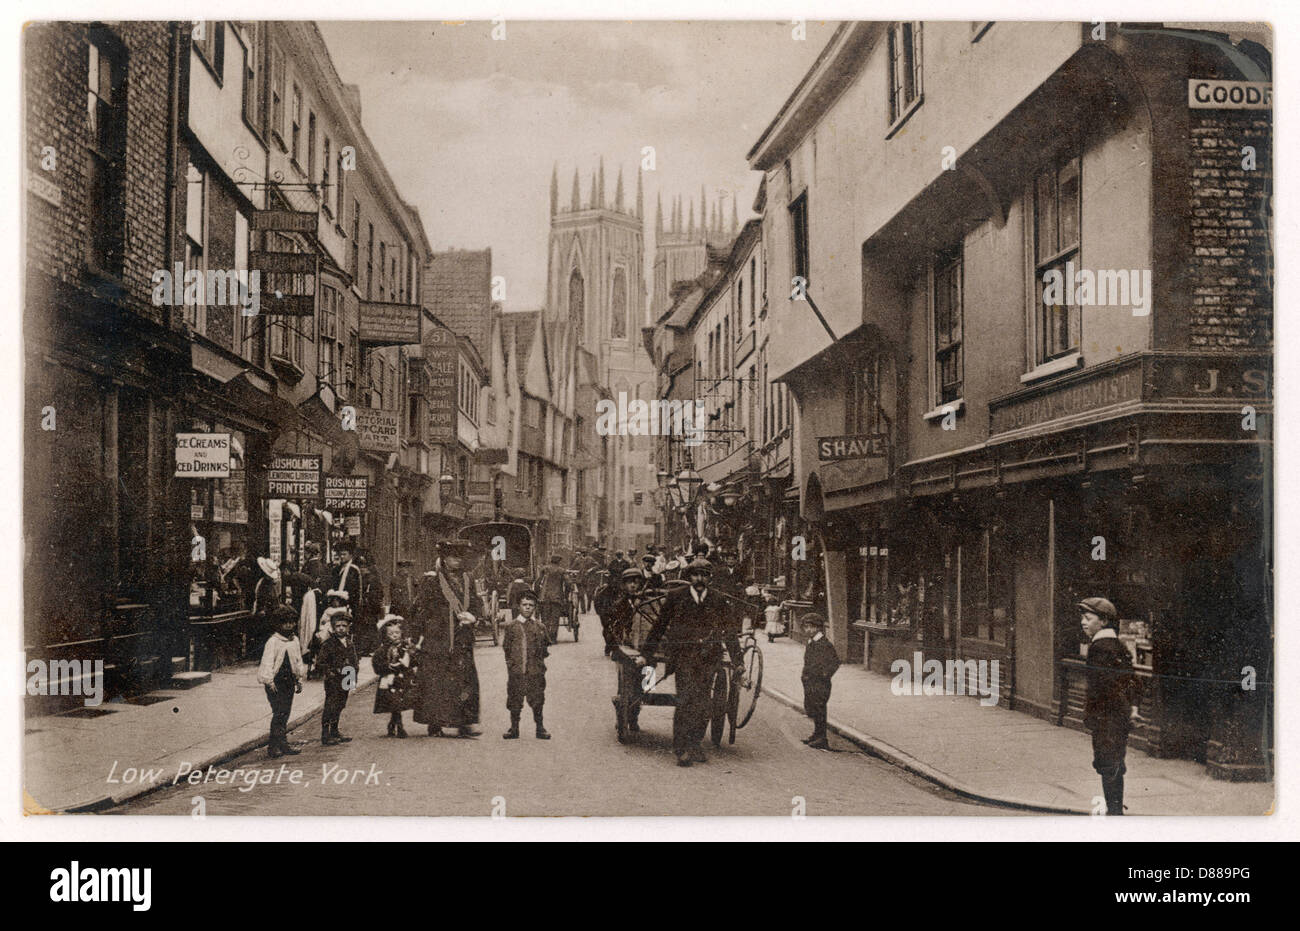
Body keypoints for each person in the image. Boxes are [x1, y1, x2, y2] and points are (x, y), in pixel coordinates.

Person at [641, 557, 741, 767]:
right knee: (685, 700)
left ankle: (695, 744)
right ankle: (681, 749)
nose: (699, 579)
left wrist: (738, 660)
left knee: (703, 703)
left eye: (704, 575)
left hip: (708, 658)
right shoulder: (676, 596)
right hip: (683, 657)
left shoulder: (718, 599)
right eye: (696, 575)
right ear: (689, 577)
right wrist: (647, 653)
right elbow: (660, 625)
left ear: (709, 578)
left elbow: (730, 631)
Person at [412, 540, 482, 738]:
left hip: (462, 638)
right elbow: (421, 609)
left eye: (459, 557)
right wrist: (416, 636)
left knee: (465, 681)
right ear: (444, 559)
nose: (457, 561)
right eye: (453, 557)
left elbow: (476, 602)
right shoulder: (432, 580)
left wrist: (473, 616)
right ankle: (435, 724)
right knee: (437, 682)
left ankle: (465, 723)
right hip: (438, 639)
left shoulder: (467, 579)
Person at [1080, 597, 1141, 815]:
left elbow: (1106, 687)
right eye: (1082, 618)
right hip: (1119, 718)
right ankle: (1115, 810)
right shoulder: (1118, 646)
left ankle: (1114, 814)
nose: (1083, 622)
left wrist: (1092, 714)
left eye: (1088, 618)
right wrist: (1132, 710)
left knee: (1108, 765)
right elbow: (1132, 681)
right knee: (1115, 764)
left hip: (1106, 719)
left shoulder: (1098, 648)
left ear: (1103, 621)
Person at [501, 591, 551, 740]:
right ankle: (514, 728)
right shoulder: (511, 627)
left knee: (538, 699)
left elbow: (545, 648)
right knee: (514, 699)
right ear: (519, 606)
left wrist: (539, 664)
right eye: (524, 604)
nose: (528, 608)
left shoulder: (540, 627)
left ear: (535, 607)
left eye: (531, 605)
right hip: (517, 672)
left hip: (535, 672)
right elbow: (507, 648)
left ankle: (540, 728)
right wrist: (512, 665)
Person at [257, 606, 305, 759]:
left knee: (285, 713)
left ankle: (283, 743)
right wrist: (269, 681)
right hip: (276, 682)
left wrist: (299, 678)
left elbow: (297, 660)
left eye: (292, 622)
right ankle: (273, 746)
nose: (289, 625)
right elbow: (267, 662)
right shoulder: (273, 641)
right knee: (279, 713)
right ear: (278, 624)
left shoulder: (294, 640)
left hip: (288, 681)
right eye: (285, 622)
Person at [799, 613, 840, 750]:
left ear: (818, 628)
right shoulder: (811, 642)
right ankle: (816, 734)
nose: (808, 630)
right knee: (813, 708)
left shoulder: (824, 644)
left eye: (811, 627)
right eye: (806, 627)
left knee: (820, 708)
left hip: (820, 683)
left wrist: (824, 675)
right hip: (810, 681)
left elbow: (835, 662)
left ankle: (822, 738)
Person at [316, 613, 358, 745]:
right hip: (333, 680)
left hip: (346, 678)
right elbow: (321, 663)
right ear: (333, 627)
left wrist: (353, 679)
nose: (341, 628)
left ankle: (334, 731)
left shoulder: (350, 643)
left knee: (340, 704)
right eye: (338, 626)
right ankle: (325, 734)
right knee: (330, 705)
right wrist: (330, 672)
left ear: (348, 627)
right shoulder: (328, 644)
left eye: (344, 626)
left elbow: (354, 662)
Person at [372, 614, 414, 738]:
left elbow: (413, 662)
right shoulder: (382, 650)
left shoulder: (404, 647)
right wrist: (387, 667)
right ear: (385, 635)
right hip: (388, 678)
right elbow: (376, 665)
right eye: (391, 633)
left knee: (398, 702)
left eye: (397, 633)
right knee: (395, 702)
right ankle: (399, 727)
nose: (394, 636)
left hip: (401, 678)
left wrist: (410, 656)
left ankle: (392, 724)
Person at [536, 554, 568, 644]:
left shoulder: (544, 569)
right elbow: (568, 583)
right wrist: (566, 594)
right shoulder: (561, 571)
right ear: (559, 562)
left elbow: (538, 582)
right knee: (555, 619)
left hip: (544, 597)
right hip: (557, 598)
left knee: (545, 618)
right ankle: (553, 638)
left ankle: (545, 638)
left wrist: (537, 594)